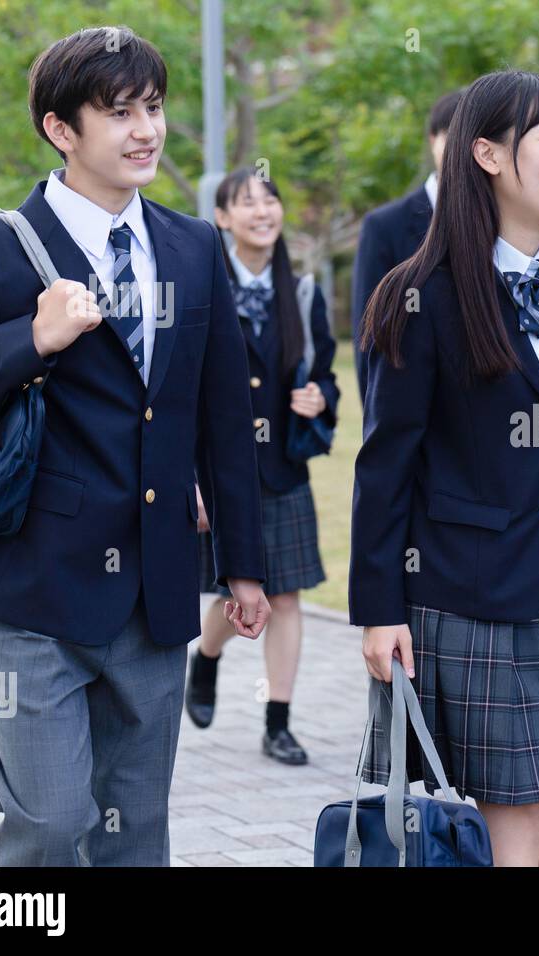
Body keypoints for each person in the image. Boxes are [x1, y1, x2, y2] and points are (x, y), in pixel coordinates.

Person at [0, 26, 270, 866]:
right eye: (119, 112)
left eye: (153, 107)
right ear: (60, 130)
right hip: (31, 585)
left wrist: (245, 564)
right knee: (46, 822)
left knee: (135, 829)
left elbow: (223, 420)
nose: (147, 129)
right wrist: (26, 344)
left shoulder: (192, 245)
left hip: (154, 590)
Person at [350, 70, 539, 867]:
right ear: (485, 153)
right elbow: (384, 466)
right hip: (461, 586)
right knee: (513, 820)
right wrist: (378, 611)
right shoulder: (420, 295)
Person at [187, 166, 339, 766]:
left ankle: (278, 721)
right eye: (245, 203)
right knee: (233, 591)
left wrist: (318, 395)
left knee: (287, 597)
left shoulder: (302, 293)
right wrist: (192, 477)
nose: (262, 211)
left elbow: (324, 371)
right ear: (223, 218)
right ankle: (208, 655)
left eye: (270, 201)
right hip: (220, 469)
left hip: (282, 467)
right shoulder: (201, 287)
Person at [350, 88, 462, 403]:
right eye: (452, 135)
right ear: (432, 139)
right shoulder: (385, 226)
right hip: (412, 404)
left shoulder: (507, 221)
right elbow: (368, 334)